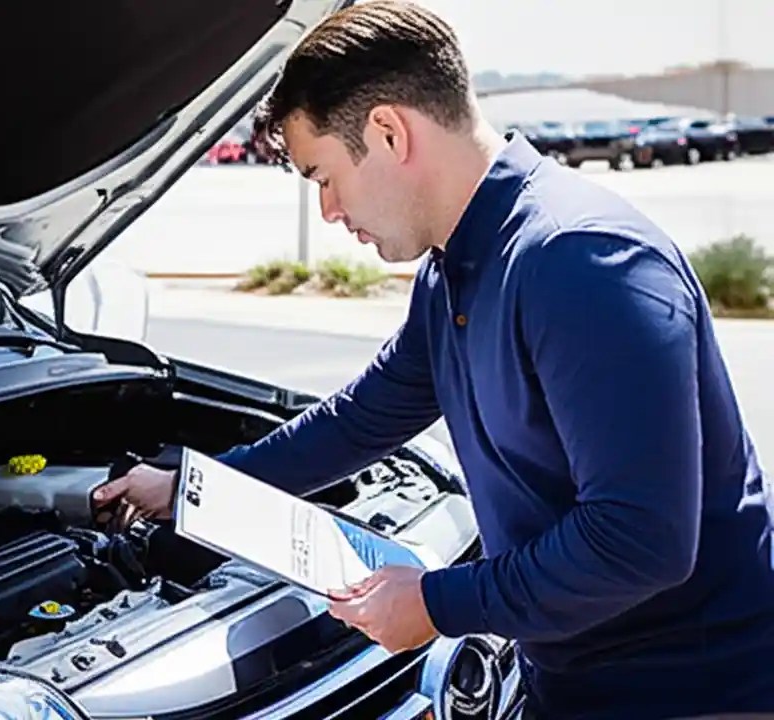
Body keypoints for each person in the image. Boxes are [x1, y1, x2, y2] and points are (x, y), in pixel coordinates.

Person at [90, 2, 774, 718]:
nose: (326, 211)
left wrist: (436, 604)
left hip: (692, 694)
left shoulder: (580, 262)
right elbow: (359, 421)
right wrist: (194, 487)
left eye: (322, 175)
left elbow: (643, 540)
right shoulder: (457, 268)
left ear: (388, 132)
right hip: (575, 680)